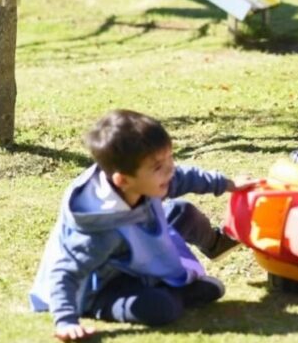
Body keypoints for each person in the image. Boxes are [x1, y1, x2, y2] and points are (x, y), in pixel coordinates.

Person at [29, 110, 252, 341]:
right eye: (157, 167)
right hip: (105, 287)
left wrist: (227, 184)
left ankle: (215, 245)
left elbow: (182, 177)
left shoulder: (140, 181)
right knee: (161, 308)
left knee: (181, 210)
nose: (169, 170)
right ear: (123, 180)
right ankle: (176, 293)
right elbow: (65, 271)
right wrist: (66, 320)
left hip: (135, 250)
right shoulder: (100, 230)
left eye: (170, 159)